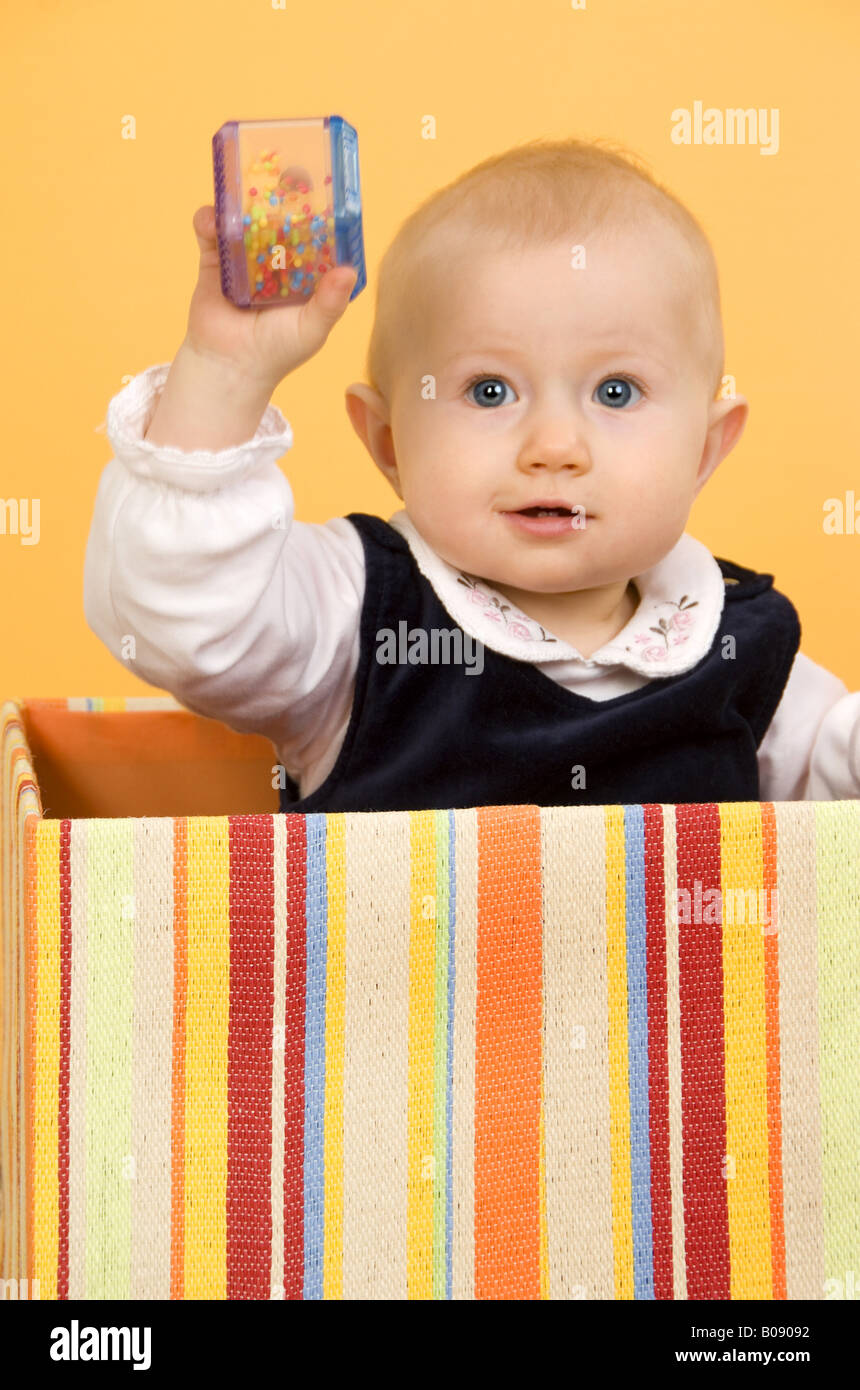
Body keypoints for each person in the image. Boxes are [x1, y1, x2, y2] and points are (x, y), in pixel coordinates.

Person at [84, 138, 860, 811]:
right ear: (389, 443)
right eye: (489, 391)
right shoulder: (354, 620)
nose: (555, 446)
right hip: (401, 987)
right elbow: (187, 621)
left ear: (704, 452)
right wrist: (222, 374)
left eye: (616, 392)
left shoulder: (741, 649)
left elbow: (836, 789)